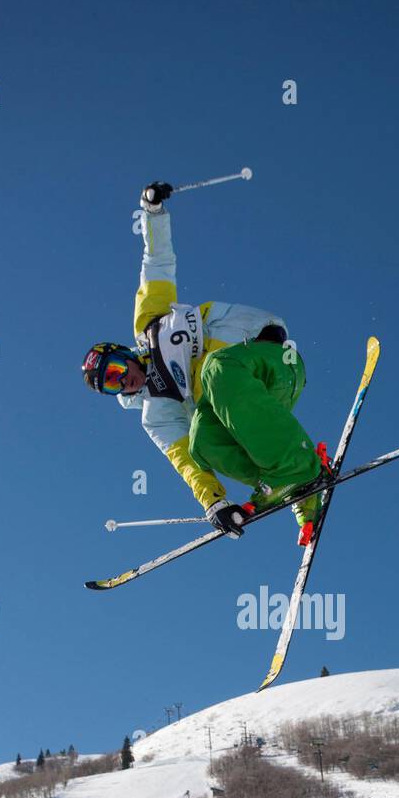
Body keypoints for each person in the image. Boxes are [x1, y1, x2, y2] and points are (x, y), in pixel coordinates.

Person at [82, 182, 332, 545]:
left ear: (124, 354)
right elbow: (188, 463)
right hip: (249, 409)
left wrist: (153, 214)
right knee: (201, 440)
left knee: (215, 369)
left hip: (273, 363)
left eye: (118, 370)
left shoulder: (151, 322)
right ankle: (291, 485)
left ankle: (299, 468)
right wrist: (214, 503)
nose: (123, 382)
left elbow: (157, 264)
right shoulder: (158, 412)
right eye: (111, 385)